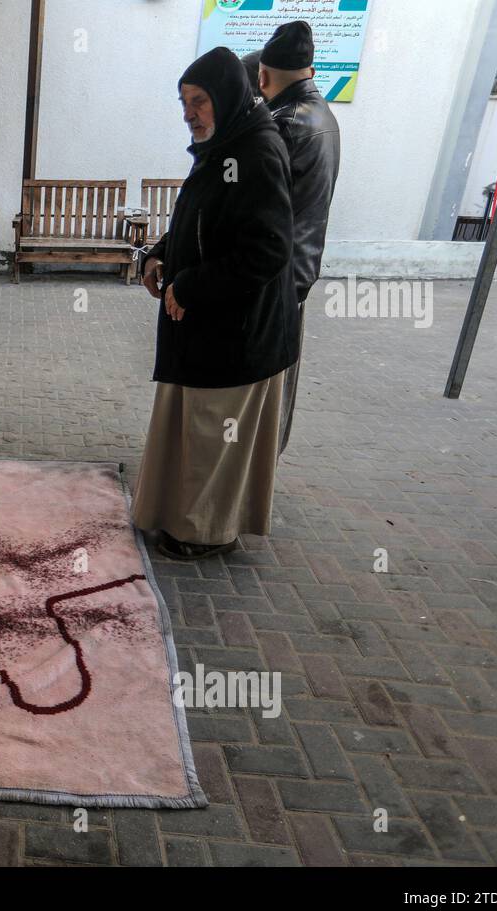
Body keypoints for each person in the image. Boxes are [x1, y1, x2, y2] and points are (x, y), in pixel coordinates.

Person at [132, 46, 298, 560]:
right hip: (206, 326)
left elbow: (267, 249)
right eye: (184, 102)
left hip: (238, 331)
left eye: (199, 101)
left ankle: (205, 533)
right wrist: (159, 256)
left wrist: (195, 285)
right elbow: (196, 218)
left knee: (214, 437)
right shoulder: (224, 146)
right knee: (192, 429)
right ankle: (176, 516)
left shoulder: (257, 151)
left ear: (226, 97)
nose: (189, 113)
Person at [255, 21, 342, 454]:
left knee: (255, 395)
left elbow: (257, 212)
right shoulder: (323, 114)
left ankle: (243, 489)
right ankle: (256, 479)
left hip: (274, 277)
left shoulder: (285, 122)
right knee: (275, 391)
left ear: (263, 76)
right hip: (297, 272)